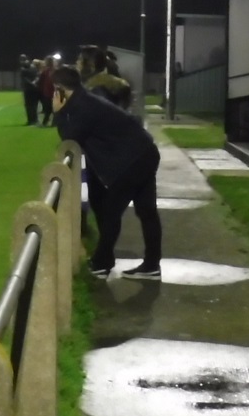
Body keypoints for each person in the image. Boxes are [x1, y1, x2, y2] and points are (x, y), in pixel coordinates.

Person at [51, 65, 162, 280]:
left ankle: (102, 263)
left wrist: (58, 112)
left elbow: (69, 138)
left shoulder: (83, 107)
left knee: (111, 212)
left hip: (133, 159)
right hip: (144, 151)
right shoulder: (85, 100)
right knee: (146, 211)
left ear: (60, 89)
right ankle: (151, 264)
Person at [18, 55, 40, 126]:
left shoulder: (23, 68)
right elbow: (37, 76)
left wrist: (31, 83)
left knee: (28, 105)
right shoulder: (34, 67)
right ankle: (35, 119)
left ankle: (30, 120)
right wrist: (35, 82)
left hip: (28, 88)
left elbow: (25, 79)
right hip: (35, 88)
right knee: (34, 105)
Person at [36, 56, 57, 126]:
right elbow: (41, 82)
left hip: (52, 92)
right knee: (49, 108)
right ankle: (48, 122)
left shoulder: (54, 71)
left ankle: (50, 122)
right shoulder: (46, 71)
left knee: (52, 109)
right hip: (48, 92)